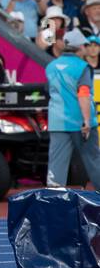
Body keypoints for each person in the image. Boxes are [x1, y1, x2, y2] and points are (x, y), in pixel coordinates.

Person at [45, 30, 100, 190]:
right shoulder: (82, 67)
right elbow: (83, 94)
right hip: (79, 121)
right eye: (84, 45)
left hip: (57, 122)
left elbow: (48, 89)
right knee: (93, 160)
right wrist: (86, 120)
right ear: (79, 47)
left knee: (56, 163)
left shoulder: (51, 66)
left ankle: (53, 199)